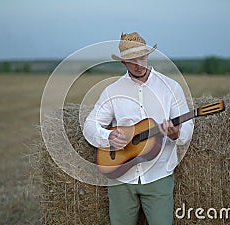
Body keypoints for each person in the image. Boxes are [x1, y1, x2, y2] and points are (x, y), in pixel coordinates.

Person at [83, 32, 194, 225]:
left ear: (148, 56)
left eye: (142, 57)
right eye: (132, 60)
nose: (139, 64)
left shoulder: (171, 87)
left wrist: (176, 134)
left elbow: (187, 128)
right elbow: (89, 126)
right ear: (123, 63)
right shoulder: (112, 91)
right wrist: (108, 136)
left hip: (159, 174)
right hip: (121, 178)